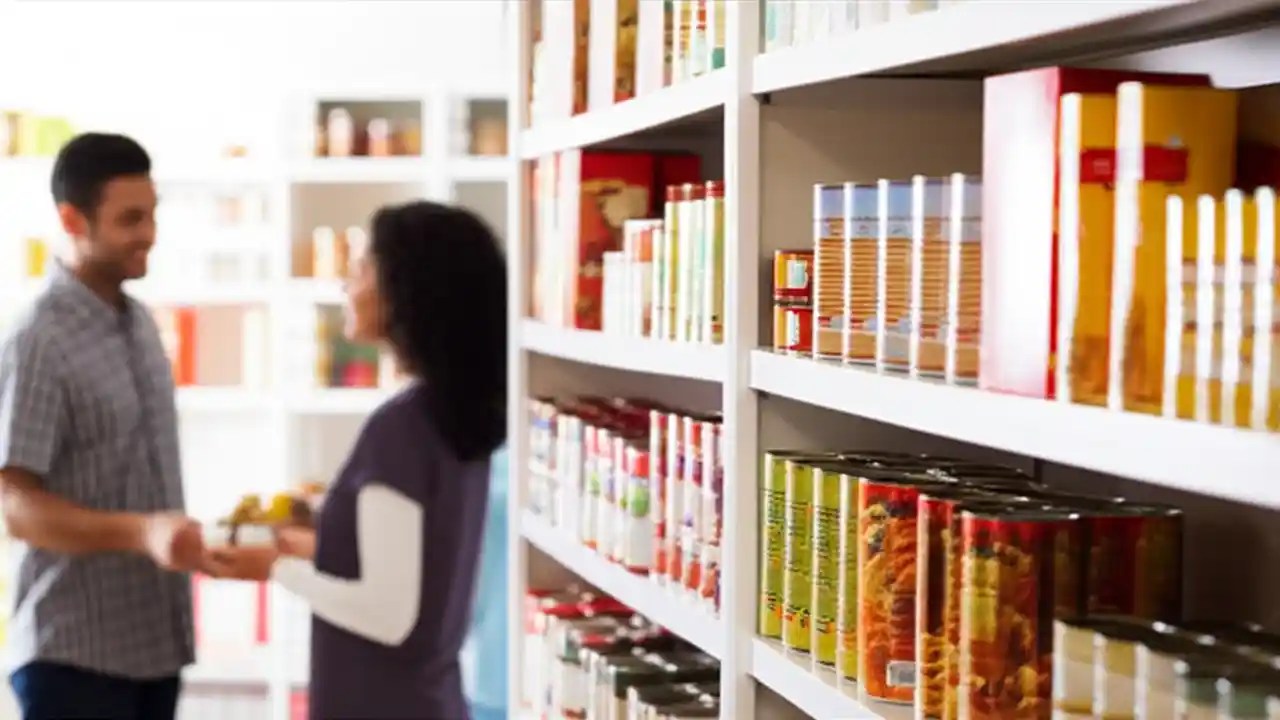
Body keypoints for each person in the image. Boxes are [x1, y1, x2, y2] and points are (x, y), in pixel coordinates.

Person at [209, 200, 507, 720]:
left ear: (406, 290)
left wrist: (277, 567)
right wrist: (312, 545)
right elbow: (418, 566)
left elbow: (387, 613)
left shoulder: (401, 429)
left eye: (363, 267)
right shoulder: (455, 415)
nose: (347, 283)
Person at [0, 133, 208, 719]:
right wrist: (141, 533)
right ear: (72, 219)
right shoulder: (39, 339)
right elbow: (14, 506)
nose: (150, 234)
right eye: (130, 219)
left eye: (152, 214)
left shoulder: (139, 324)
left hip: (156, 649)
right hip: (74, 663)